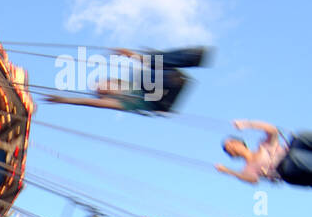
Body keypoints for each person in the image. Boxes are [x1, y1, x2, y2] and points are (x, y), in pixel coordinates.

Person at [45, 47, 206, 114]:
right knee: (146, 70)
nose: (105, 87)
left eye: (105, 84)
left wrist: (128, 54)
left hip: (171, 83)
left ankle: (194, 56)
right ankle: (192, 58)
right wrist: (64, 100)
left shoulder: (132, 84)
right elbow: (90, 103)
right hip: (161, 102)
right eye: (102, 90)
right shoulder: (121, 101)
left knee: (151, 63)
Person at [218, 120, 312, 187]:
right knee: (295, 157)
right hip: (287, 168)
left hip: (291, 151)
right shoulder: (248, 169)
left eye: (232, 143)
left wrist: (246, 124)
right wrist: (227, 171)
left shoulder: (264, 145)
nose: (232, 147)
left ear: (240, 142)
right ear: (232, 154)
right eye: (228, 148)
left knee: (301, 137)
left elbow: (272, 130)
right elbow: (252, 180)